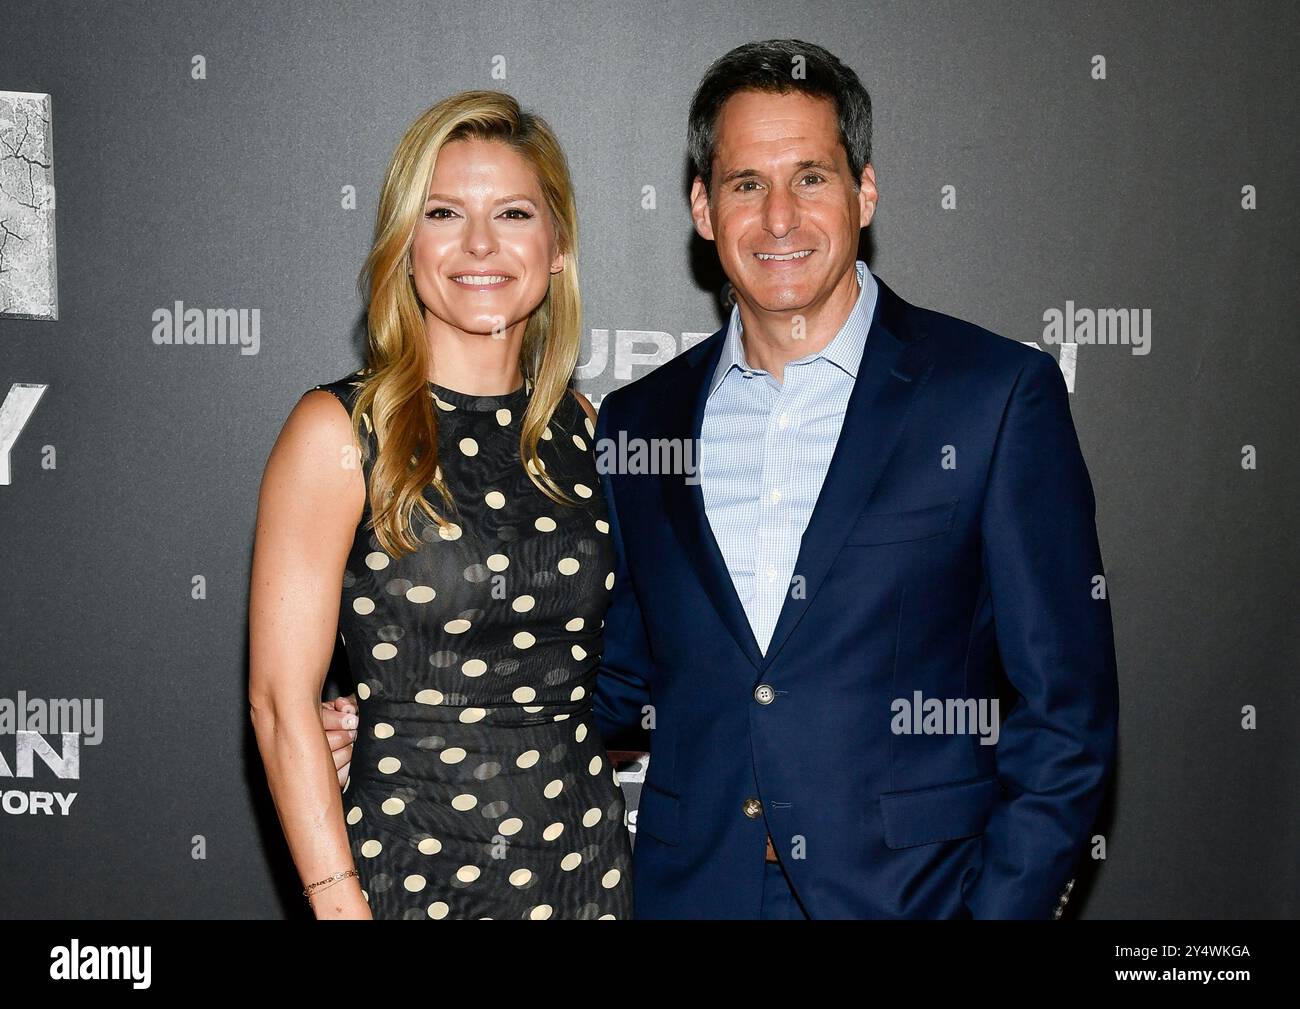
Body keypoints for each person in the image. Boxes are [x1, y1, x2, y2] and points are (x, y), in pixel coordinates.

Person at [323, 39, 1119, 920]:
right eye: (746, 184)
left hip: (914, 899)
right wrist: (411, 724)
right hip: (687, 893)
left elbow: (1067, 710)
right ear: (703, 208)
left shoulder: (992, 396)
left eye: (811, 177)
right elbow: (611, 675)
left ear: (866, 191)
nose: (779, 218)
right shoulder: (637, 422)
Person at [249, 90, 631, 920]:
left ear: (557, 245)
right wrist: (337, 904)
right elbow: (280, 702)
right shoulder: (339, 431)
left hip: (586, 868)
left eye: (515, 213)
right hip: (403, 874)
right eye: (446, 212)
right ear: (404, 245)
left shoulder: (590, 431)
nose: (482, 244)